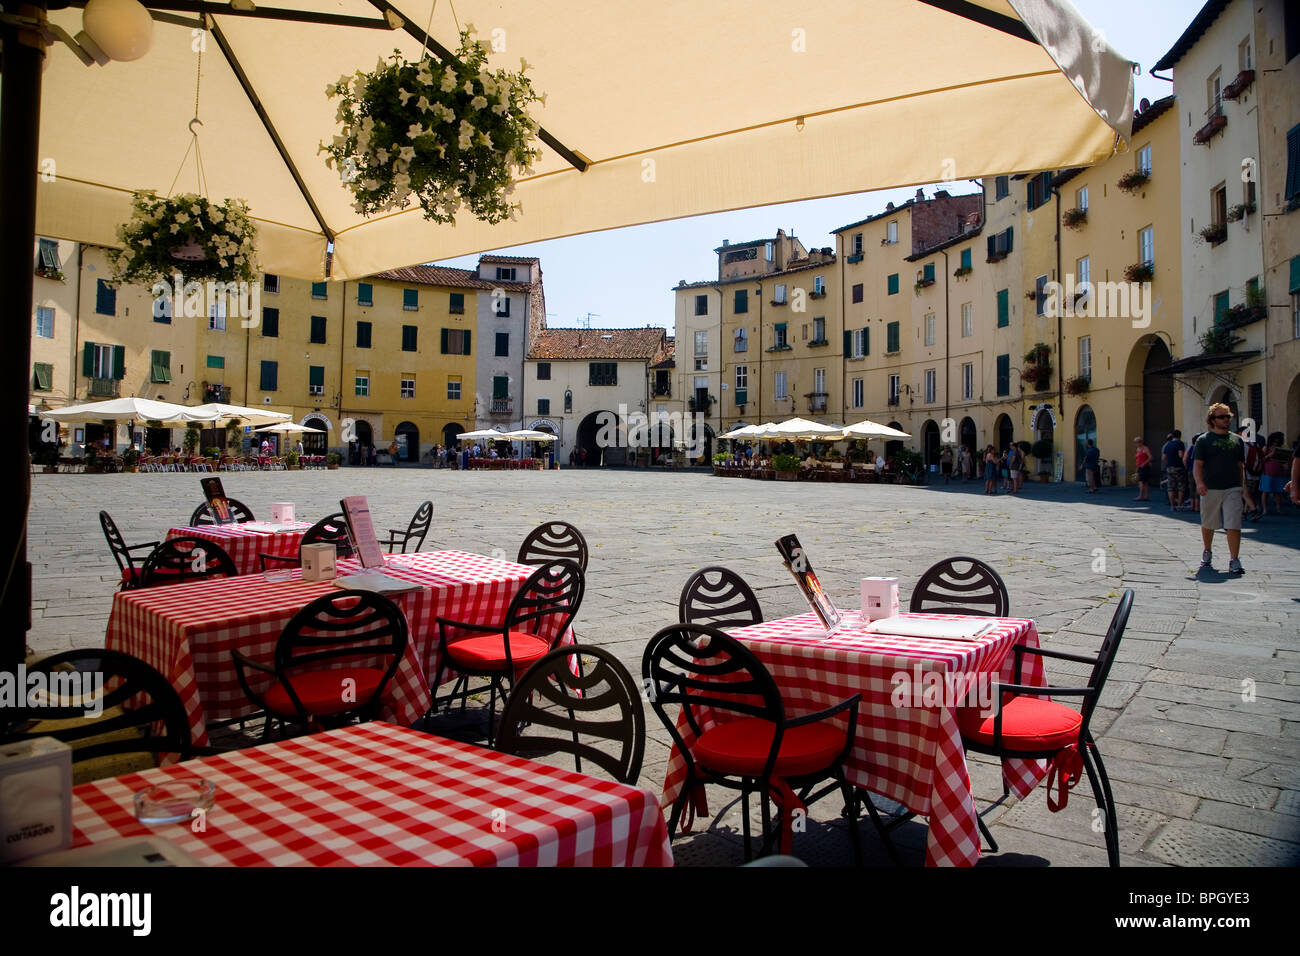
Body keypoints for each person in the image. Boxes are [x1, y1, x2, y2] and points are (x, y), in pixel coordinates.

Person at [1193, 403, 1256, 574]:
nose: (1226, 419)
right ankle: (1207, 551)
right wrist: (1199, 482)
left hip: (1232, 487)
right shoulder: (1204, 440)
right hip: (1210, 487)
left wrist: (1243, 487)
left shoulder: (1236, 440)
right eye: (1222, 417)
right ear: (1212, 420)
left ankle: (1234, 559)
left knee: (1234, 523)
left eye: (1228, 416)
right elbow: (1198, 465)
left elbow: (1239, 465)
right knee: (1208, 523)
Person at [1257, 431, 1290, 517]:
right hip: (1267, 472)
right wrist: (1270, 455)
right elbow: (1261, 459)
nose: (1276, 443)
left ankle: (1278, 508)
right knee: (1266, 491)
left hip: (1279, 472)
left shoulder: (1282, 448)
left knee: (1279, 491)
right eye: (1275, 441)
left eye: (1278, 441)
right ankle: (1265, 509)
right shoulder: (1266, 448)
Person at [1162, 431, 1187, 510]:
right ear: (1180, 435)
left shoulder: (1167, 444)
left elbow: (1163, 458)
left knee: (1171, 487)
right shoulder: (1180, 443)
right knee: (1181, 486)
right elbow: (1181, 455)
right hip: (1179, 466)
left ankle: (1172, 506)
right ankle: (1179, 505)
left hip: (1169, 467)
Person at [1244, 435, 1265, 518]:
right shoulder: (1256, 445)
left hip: (1246, 474)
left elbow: (1243, 460)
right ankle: (1245, 512)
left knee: (1245, 493)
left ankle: (1253, 510)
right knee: (1249, 494)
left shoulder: (1244, 445)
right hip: (1255, 473)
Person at [1133, 436, 1153, 501]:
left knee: (1141, 482)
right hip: (1140, 467)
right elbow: (1138, 459)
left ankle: (1141, 496)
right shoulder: (1138, 449)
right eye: (1135, 442)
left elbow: (1150, 457)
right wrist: (1137, 467)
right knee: (1145, 482)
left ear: (1141, 442)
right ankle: (1146, 496)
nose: (1136, 444)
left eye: (1137, 442)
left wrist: (1143, 464)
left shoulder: (1145, 448)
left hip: (1145, 467)